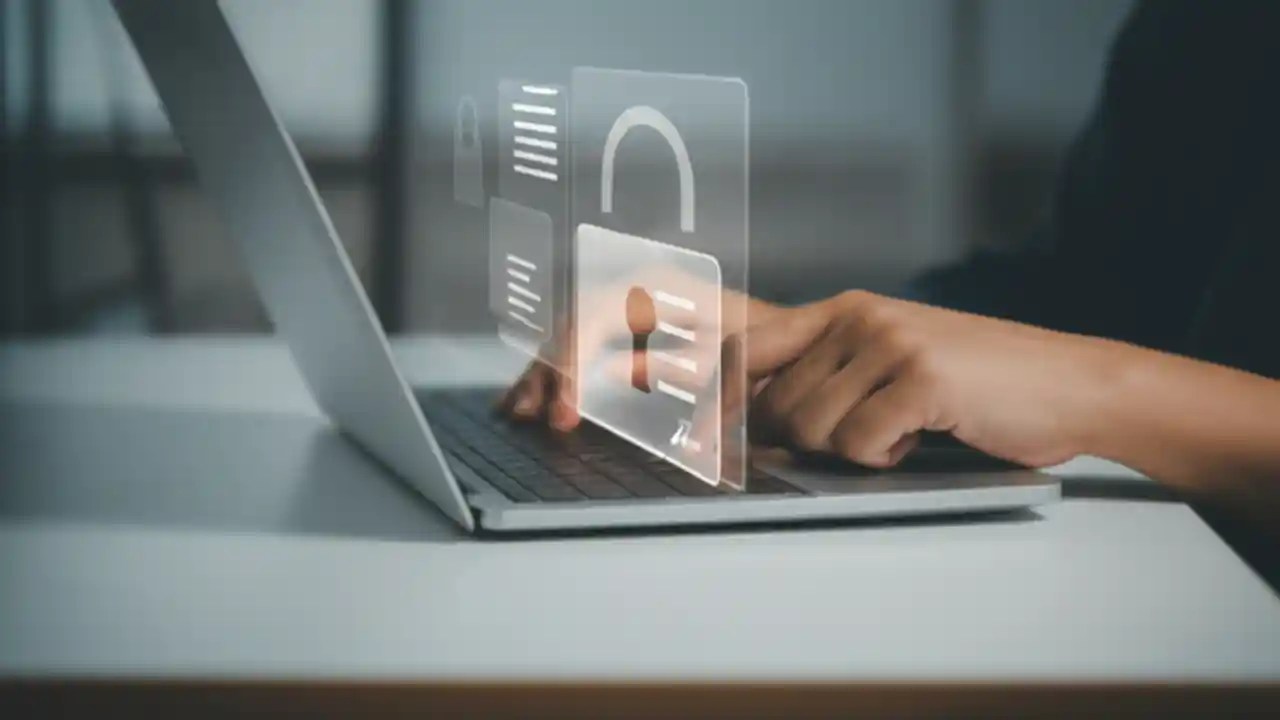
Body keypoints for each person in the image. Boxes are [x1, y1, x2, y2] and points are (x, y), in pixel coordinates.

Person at [501, 1, 1279, 564]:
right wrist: (788, 337)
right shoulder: (1202, 29)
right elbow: (1068, 293)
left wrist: (1095, 390)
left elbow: (1064, 354)